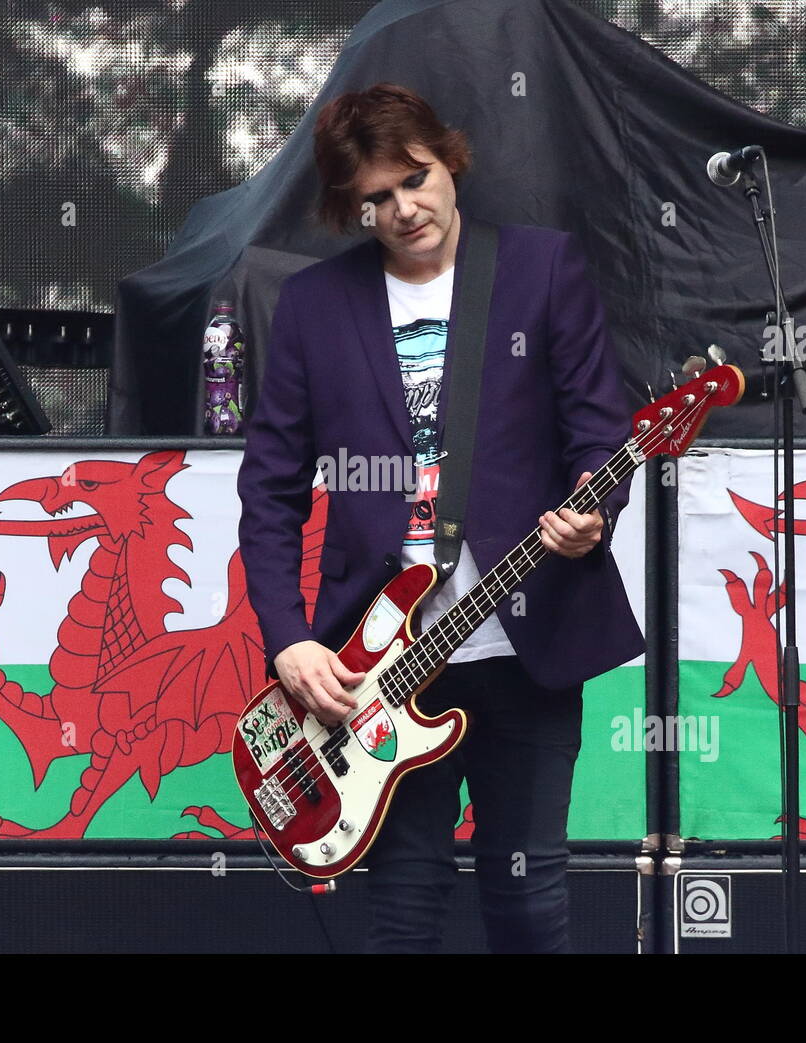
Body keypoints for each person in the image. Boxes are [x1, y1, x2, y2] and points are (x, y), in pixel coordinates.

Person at [236, 82, 643, 953]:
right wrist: (289, 638)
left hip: (523, 647)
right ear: (350, 208)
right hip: (376, 670)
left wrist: (594, 511)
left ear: (446, 158)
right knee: (404, 914)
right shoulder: (315, 304)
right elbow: (269, 490)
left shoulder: (541, 269)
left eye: (414, 179)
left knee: (529, 902)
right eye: (374, 198)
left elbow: (600, 435)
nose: (403, 208)